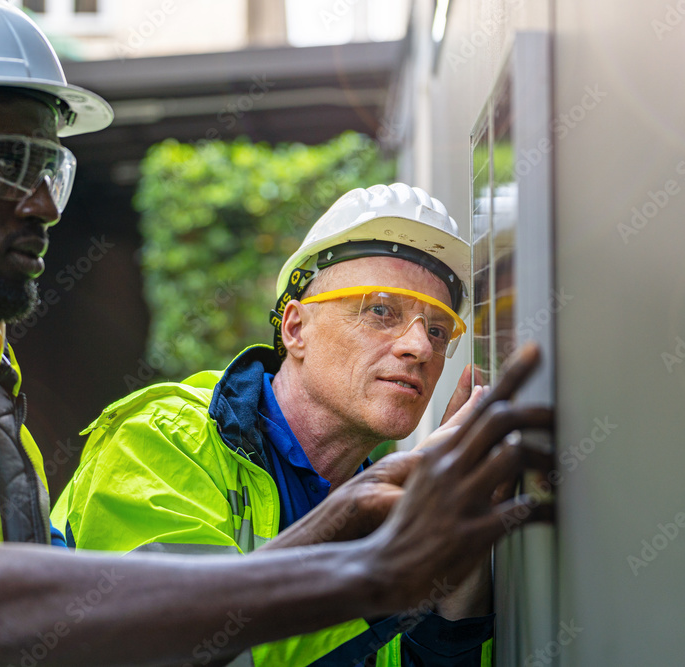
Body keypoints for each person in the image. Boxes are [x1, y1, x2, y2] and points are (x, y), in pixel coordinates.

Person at [0, 2, 552, 664]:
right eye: (8, 161)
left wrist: (349, 527)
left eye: (52, 169)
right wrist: (372, 572)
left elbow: (90, 625)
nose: (45, 203)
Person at [52, 183, 515, 665]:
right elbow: (176, 648)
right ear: (295, 329)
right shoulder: (163, 442)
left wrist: (459, 555)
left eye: (437, 330)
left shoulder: (380, 503)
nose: (419, 347)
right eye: (381, 310)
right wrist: (387, 557)